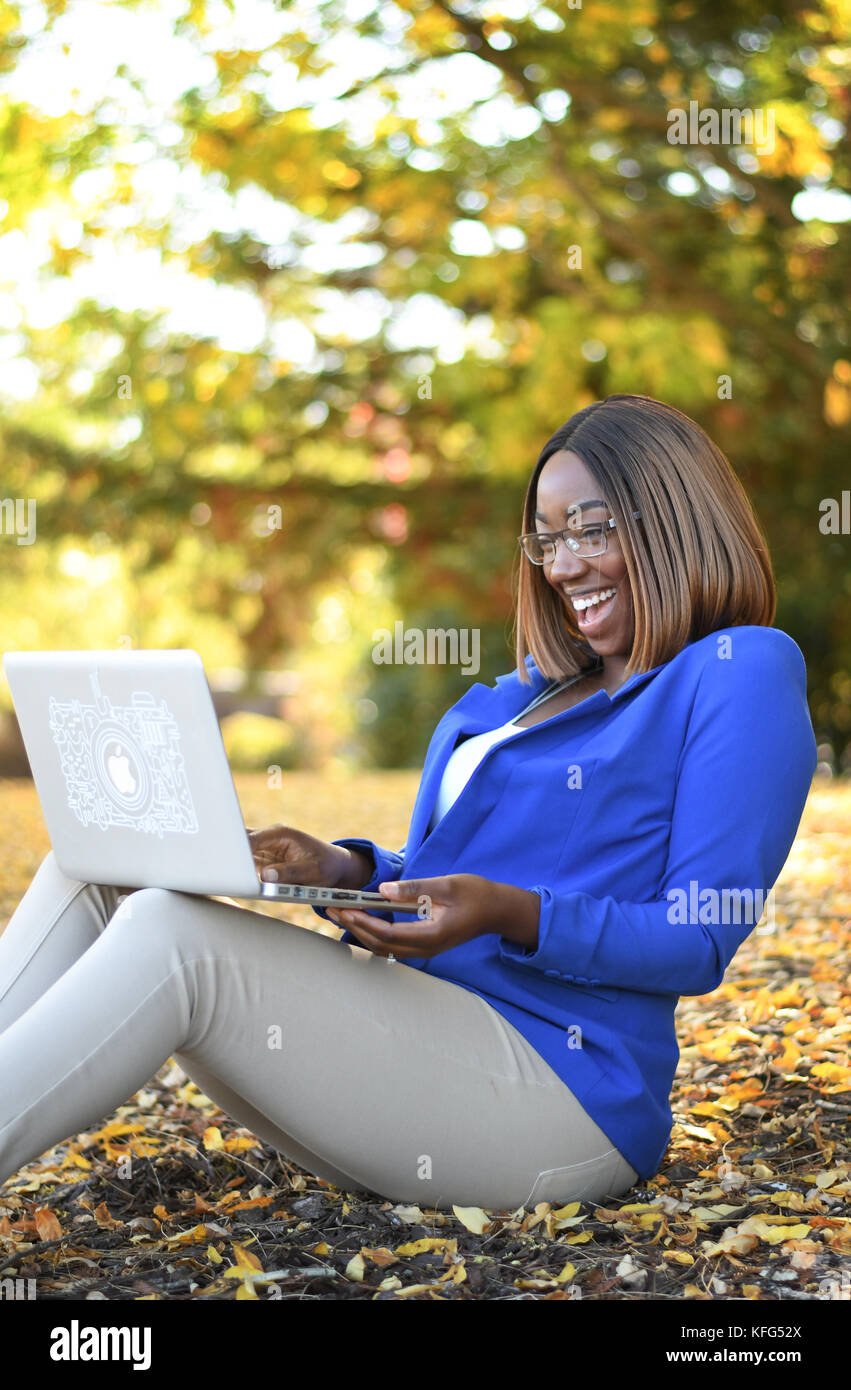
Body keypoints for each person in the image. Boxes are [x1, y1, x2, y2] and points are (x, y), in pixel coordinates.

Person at [0, 393, 816, 1214]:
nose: (562, 565)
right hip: (419, 1037)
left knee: (172, 937)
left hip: (555, 1094)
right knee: (95, 867)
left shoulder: (736, 669)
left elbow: (698, 935)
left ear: (672, 520)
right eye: (547, 537)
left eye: (591, 529)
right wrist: (348, 868)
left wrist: (509, 912)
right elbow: (461, 881)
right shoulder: (535, 692)